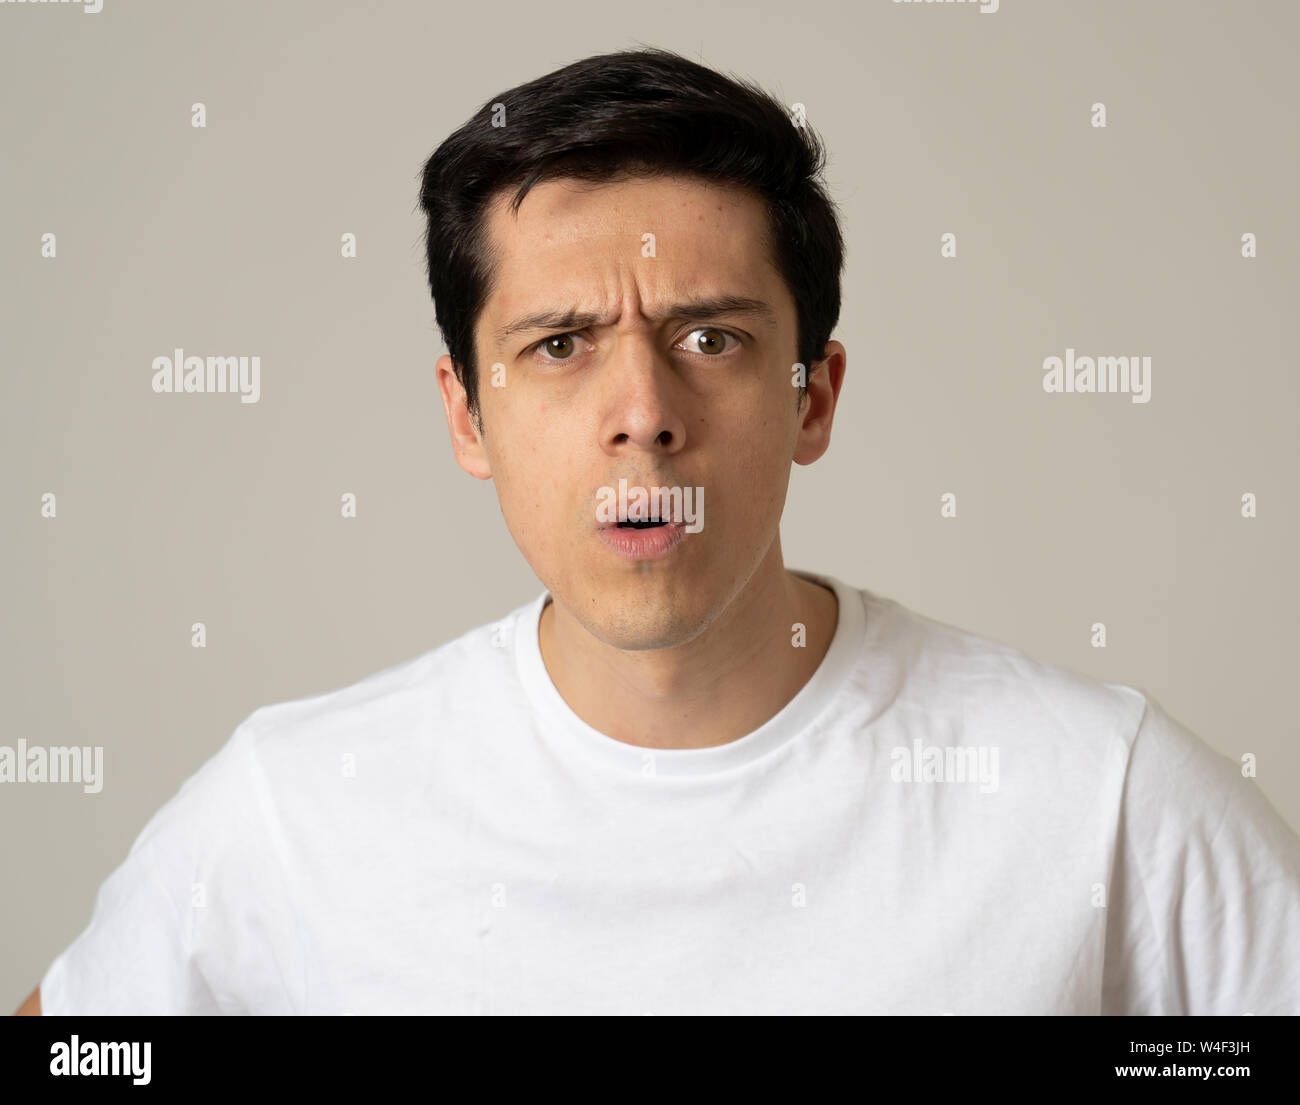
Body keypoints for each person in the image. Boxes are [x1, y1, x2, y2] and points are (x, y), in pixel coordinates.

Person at [18, 46, 1300, 1016]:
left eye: (711, 338)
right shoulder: (295, 812)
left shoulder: (1099, 801)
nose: (643, 414)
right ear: (468, 415)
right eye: (561, 345)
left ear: (814, 396)